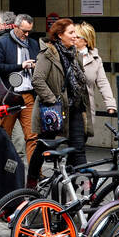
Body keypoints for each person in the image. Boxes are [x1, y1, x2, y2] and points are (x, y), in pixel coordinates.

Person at [27, 18, 91, 185]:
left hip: (74, 108)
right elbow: (38, 80)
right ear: (59, 35)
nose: (75, 36)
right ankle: (31, 183)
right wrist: (53, 100)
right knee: (42, 147)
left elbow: (80, 80)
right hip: (53, 110)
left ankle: (84, 192)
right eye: (71, 33)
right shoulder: (48, 54)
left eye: (75, 33)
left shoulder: (75, 54)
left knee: (78, 150)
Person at [0, 13, 39, 166]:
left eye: (29, 31)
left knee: (32, 137)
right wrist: (20, 66)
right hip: (9, 96)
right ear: (15, 27)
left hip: (28, 95)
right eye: (24, 31)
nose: (26, 34)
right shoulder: (1, 43)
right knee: (4, 135)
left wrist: (37, 67)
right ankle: (1, 171)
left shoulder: (33, 44)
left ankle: (34, 175)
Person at [75, 22, 118, 138]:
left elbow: (103, 82)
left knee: (81, 140)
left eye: (78, 37)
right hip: (69, 105)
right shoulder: (67, 55)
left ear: (86, 41)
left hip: (86, 106)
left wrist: (110, 104)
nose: (74, 39)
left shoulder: (95, 59)